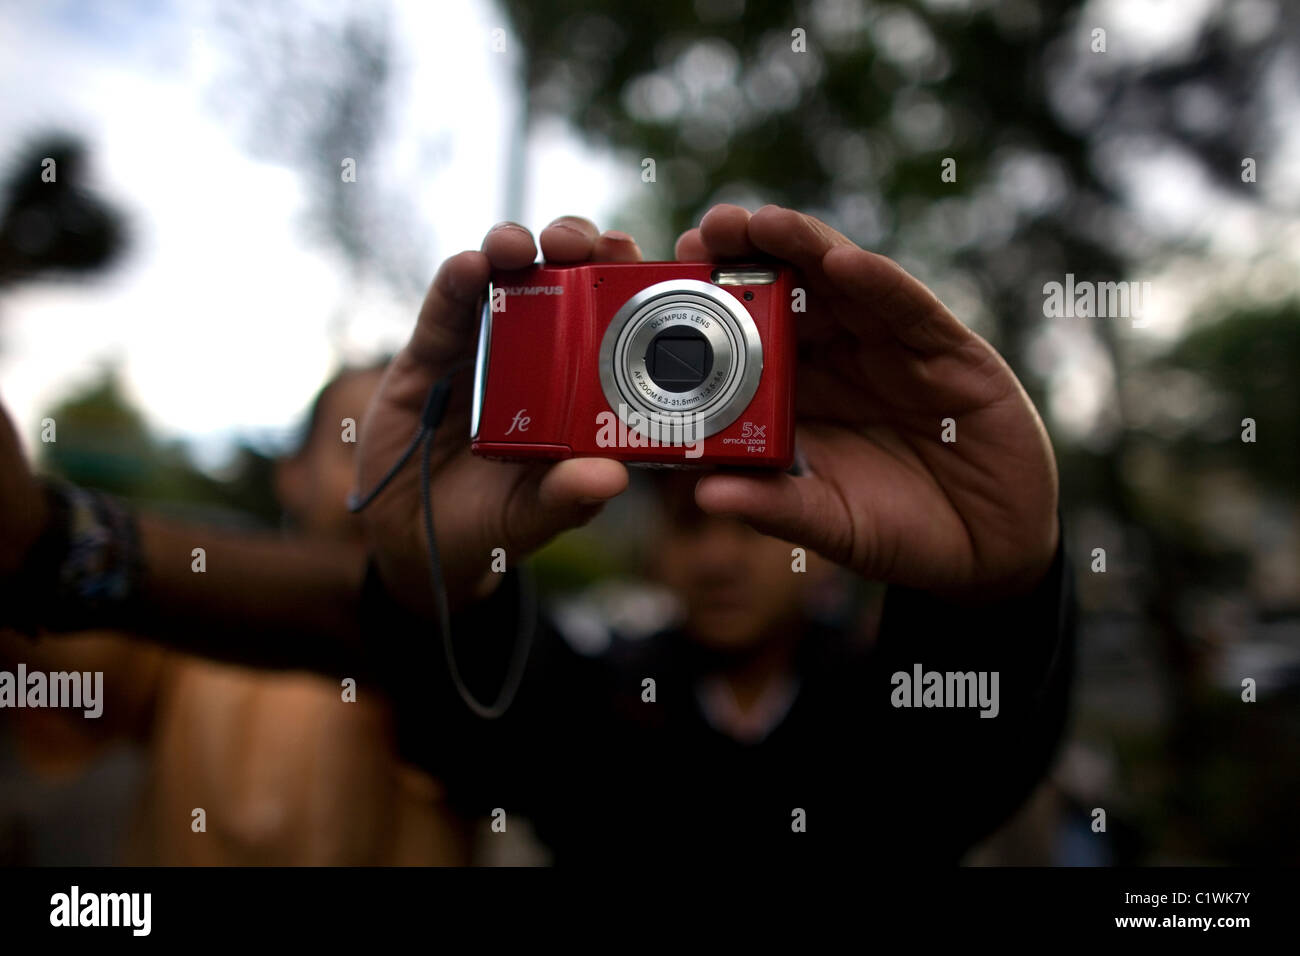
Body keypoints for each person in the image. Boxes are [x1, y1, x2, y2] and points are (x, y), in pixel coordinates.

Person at [352, 205, 1075, 864]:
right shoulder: (604, 701)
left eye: (758, 523)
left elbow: (976, 767)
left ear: (825, 553)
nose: (720, 559)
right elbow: (474, 744)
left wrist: (1000, 592)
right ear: (656, 546)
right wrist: (423, 574)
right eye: (691, 521)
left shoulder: (886, 708)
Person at [1, 368, 469, 865]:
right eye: (360, 449)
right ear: (292, 476)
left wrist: (49, 539)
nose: (397, 484)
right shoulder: (190, 638)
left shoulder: (473, 662)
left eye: (426, 461)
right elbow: (56, 666)